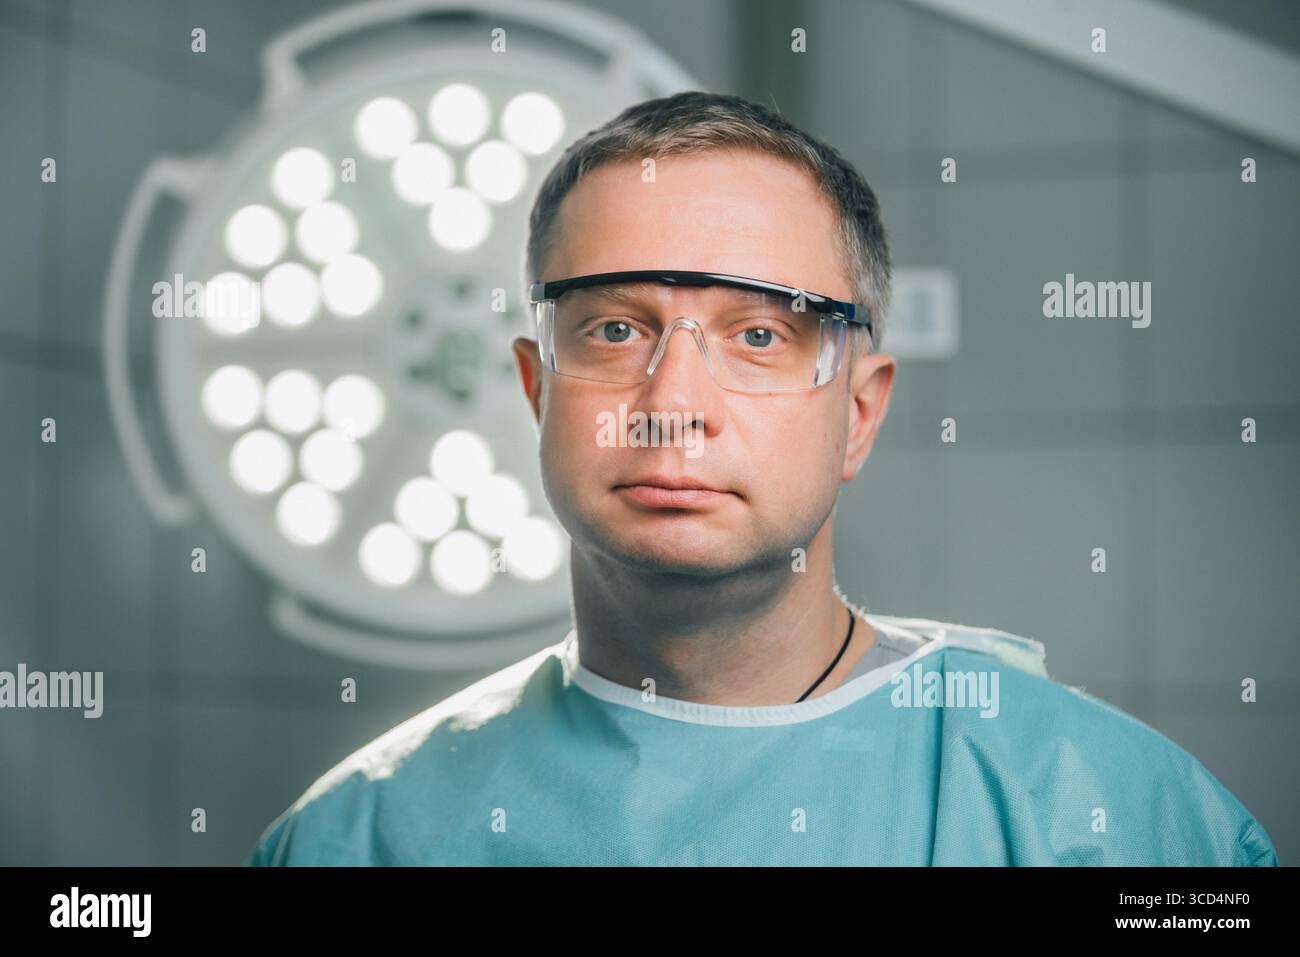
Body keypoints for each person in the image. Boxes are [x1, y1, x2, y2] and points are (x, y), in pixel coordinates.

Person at [245, 91, 1278, 866]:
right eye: (614, 328)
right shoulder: (362, 836)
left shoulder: (1101, 817)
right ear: (535, 388)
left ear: (857, 413)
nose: (673, 401)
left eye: (759, 335)